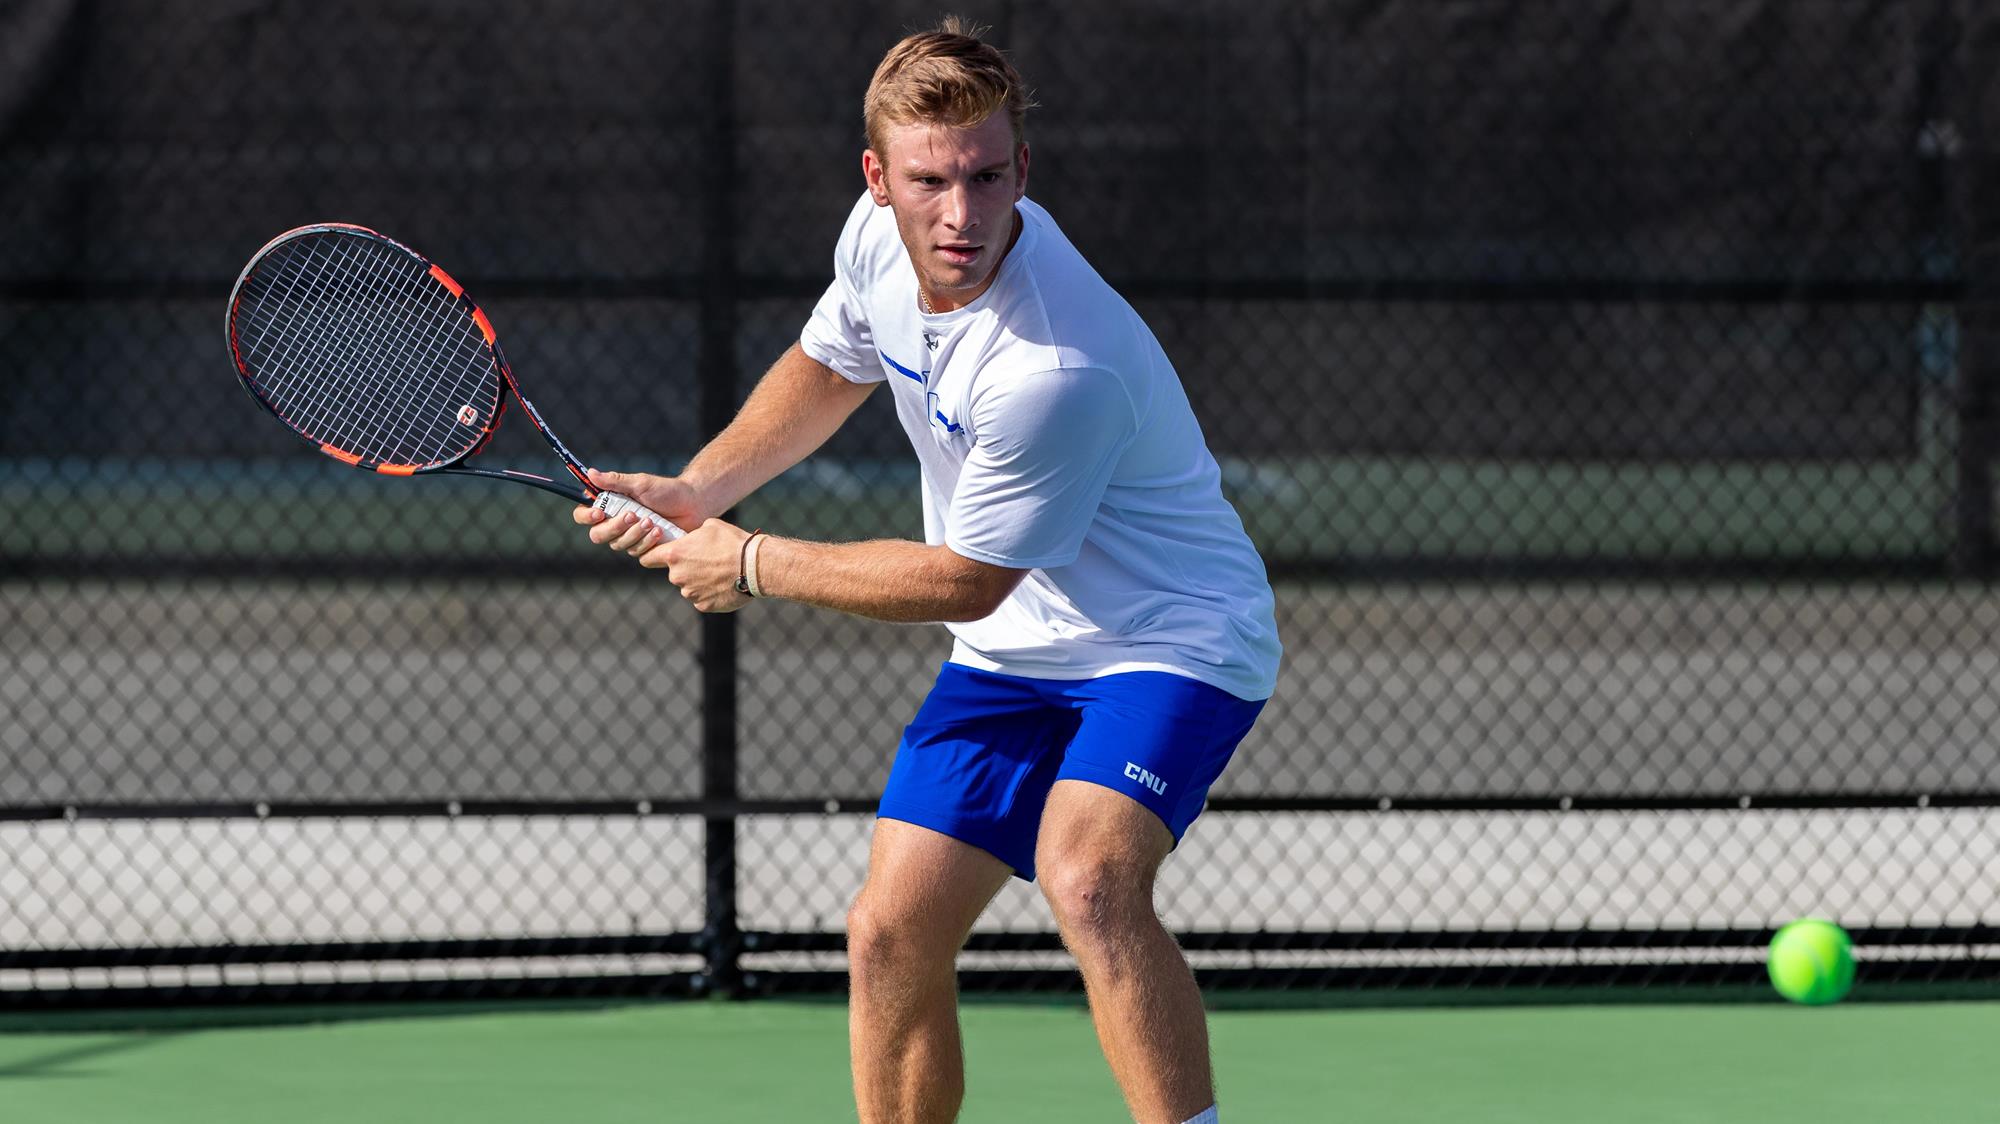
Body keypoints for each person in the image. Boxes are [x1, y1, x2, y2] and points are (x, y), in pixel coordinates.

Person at [576, 18, 1280, 1124]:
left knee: (1087, 882)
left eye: (988, 177)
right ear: (877, 178)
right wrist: (701, 490)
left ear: (1022, 170)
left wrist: (751, 561)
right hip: (1015, 652)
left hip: (1170, 636)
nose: (961, 214)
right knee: (888, 928)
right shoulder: (874, 242)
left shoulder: (1053, 364)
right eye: (930, 180)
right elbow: (826, 363)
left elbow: (962, 581)